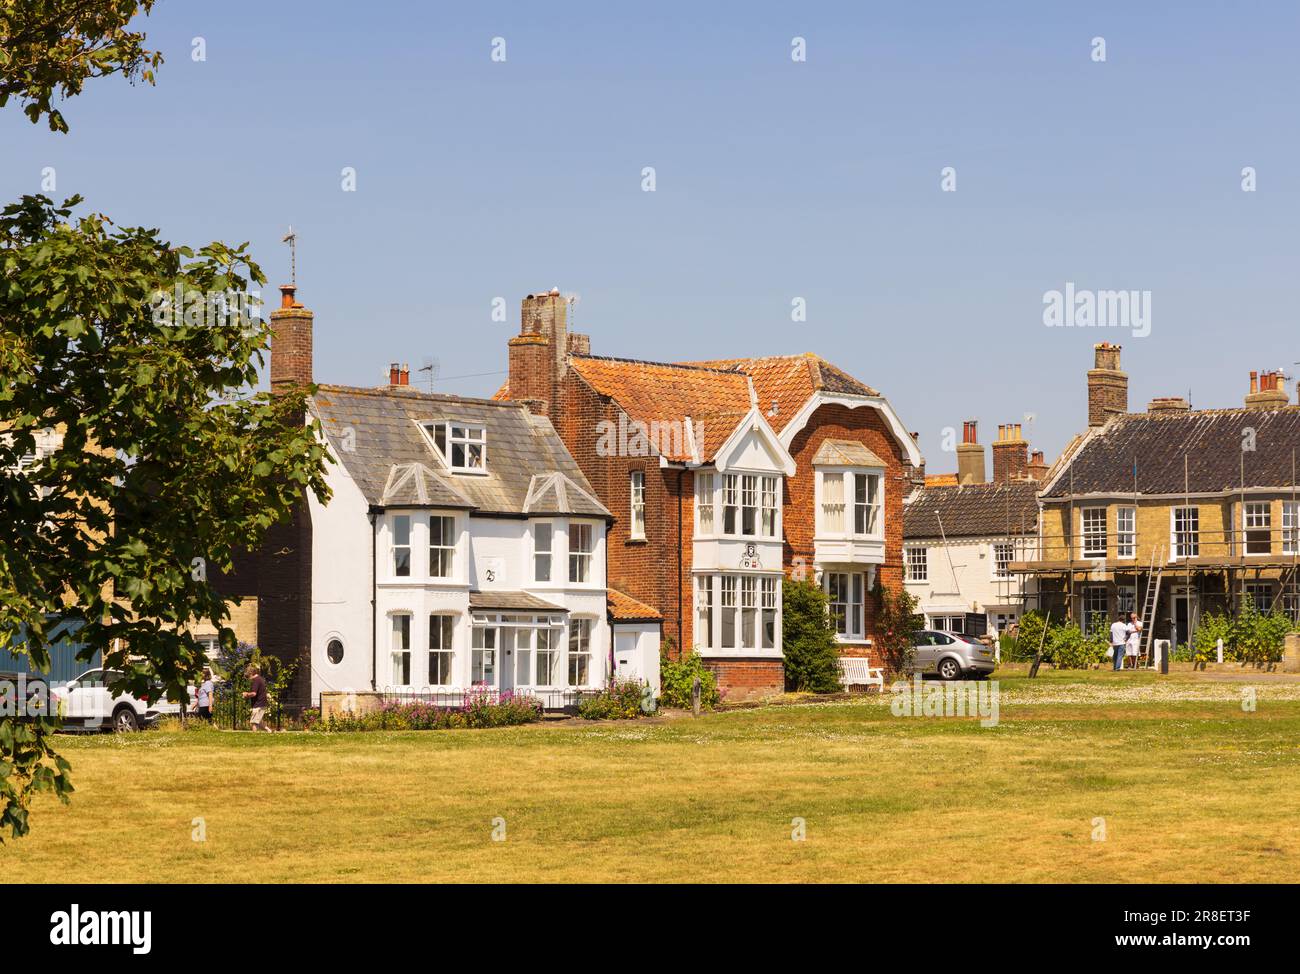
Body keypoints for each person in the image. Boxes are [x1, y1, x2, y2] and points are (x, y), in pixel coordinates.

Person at [243, 664, 271, 732]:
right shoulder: (260, 679)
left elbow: (253, 693)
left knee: (254, 722)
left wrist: (246, 694)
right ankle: (269, 731)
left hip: (259, 704)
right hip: (262, 703)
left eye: (248, 676)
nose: (248, 678)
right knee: (259, 721)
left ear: (251, 673)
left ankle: (254, 737)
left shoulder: (256, 680)